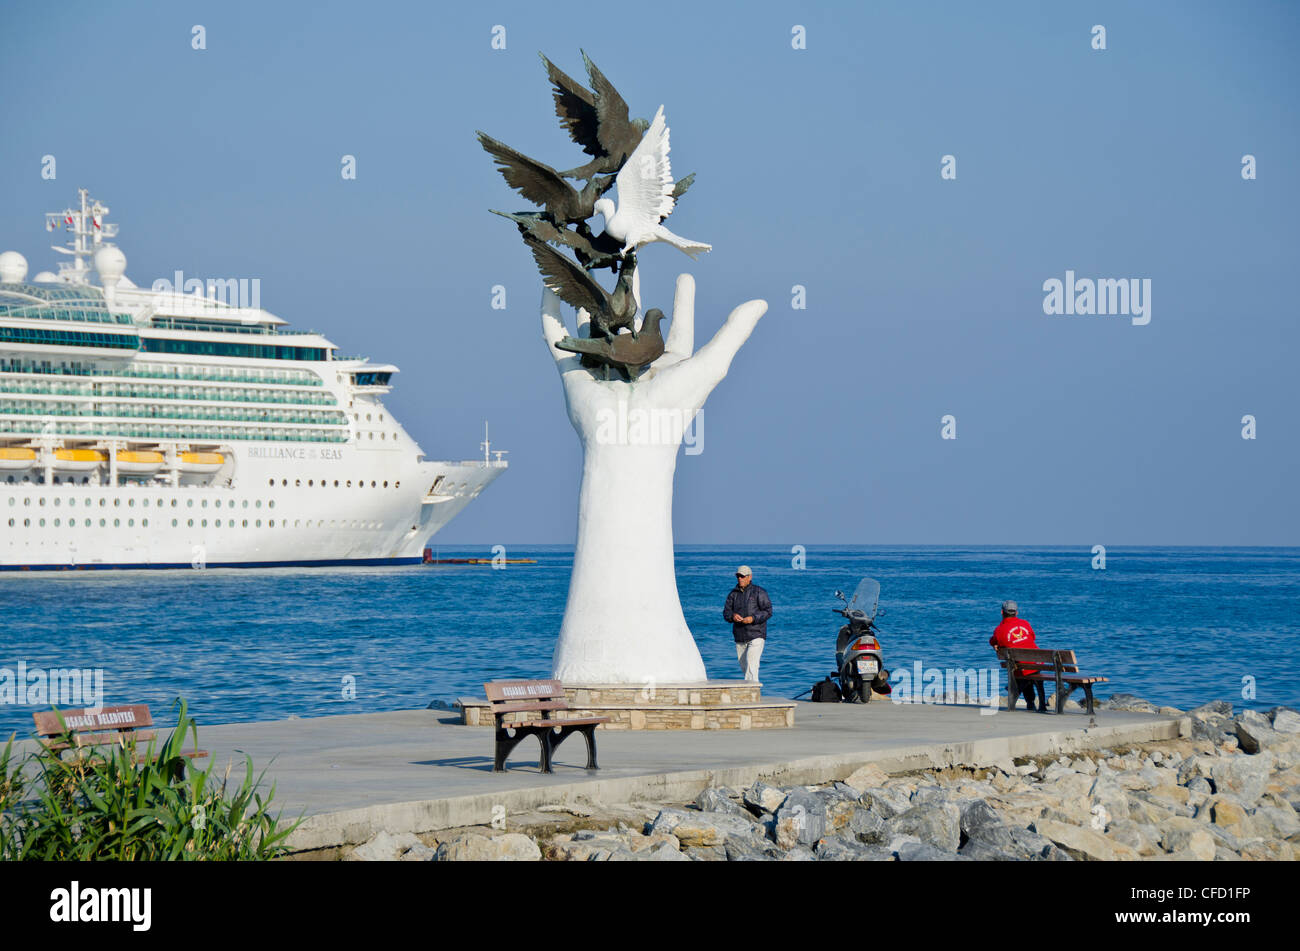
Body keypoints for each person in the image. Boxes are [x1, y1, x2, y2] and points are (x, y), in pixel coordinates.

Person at [989, 599, 1046, 711]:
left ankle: (1025, 701)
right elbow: (1033, 637)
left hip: (1020, 667)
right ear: (1016, 613)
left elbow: (992, 641)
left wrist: (997, 645)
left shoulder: (999, 630)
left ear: (1002, 612)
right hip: (1036, 664)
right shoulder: (1025, 623)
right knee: (1026, 671)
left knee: (1021, 671)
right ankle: (1033, 703)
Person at [723, 565, 772, 682]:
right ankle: (752, 691)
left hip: (756, 635)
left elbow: (768, 611)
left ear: (750, 577)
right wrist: (733, 616)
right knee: (745, 668)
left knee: (752, 664)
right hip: (739, 637)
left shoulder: (759, 592)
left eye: (743, 576)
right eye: (738, 576)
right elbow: (726, 613)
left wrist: (753, 618)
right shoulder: (733, 594)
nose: (740, 579)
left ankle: (752, 694)